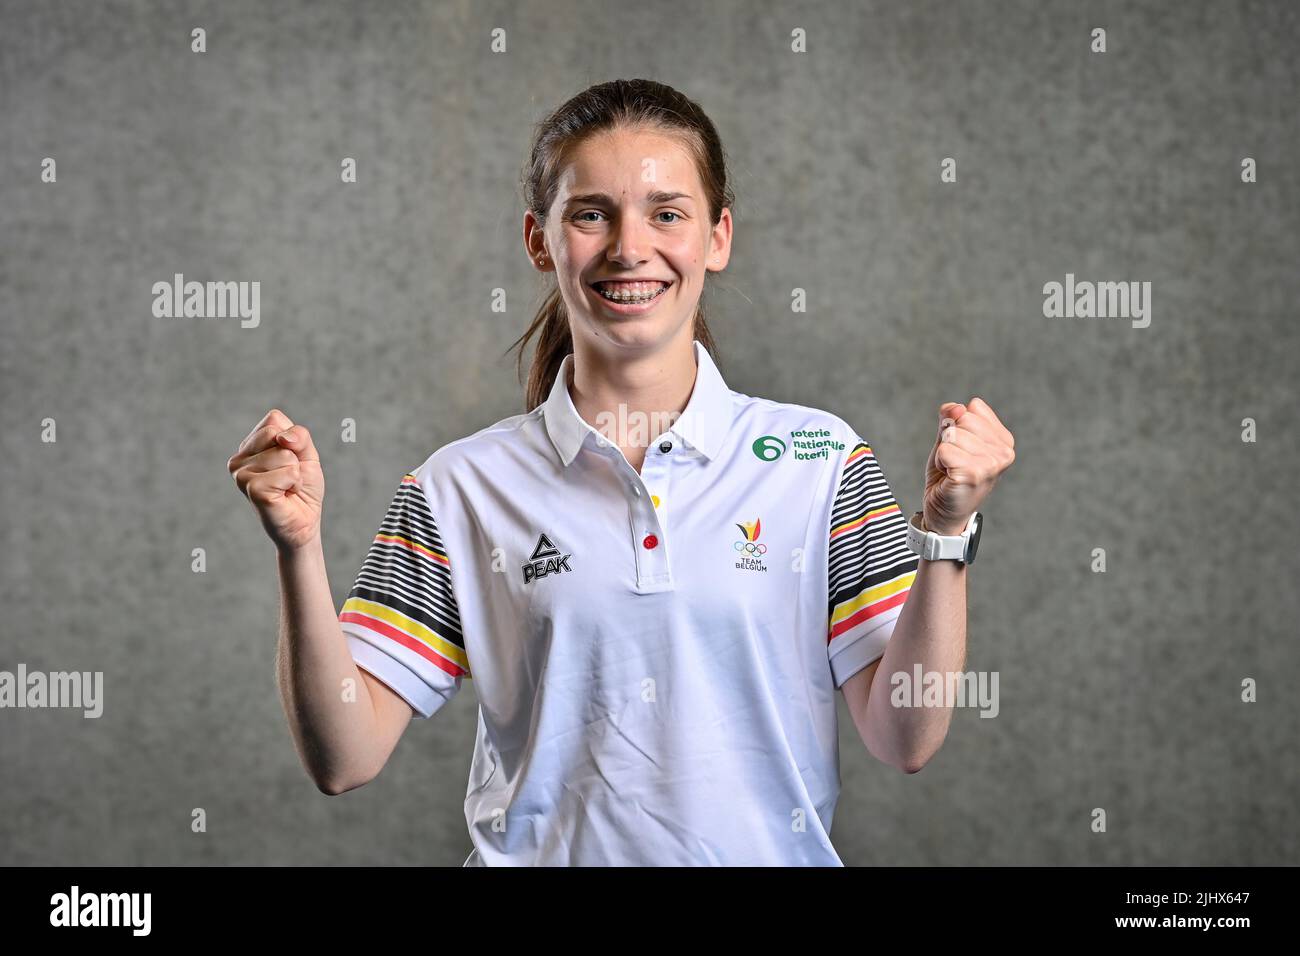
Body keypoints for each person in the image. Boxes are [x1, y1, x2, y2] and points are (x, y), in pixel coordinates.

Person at [227, 78, 1015, 866]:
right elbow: (344, 757)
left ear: (718, 237)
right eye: (591, 214)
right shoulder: (457, 486)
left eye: (667, 213)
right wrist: (297, 548)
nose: (630, 247)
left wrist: (945, 537)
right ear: (540, 239)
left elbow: (904, 735)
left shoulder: (821, 461)